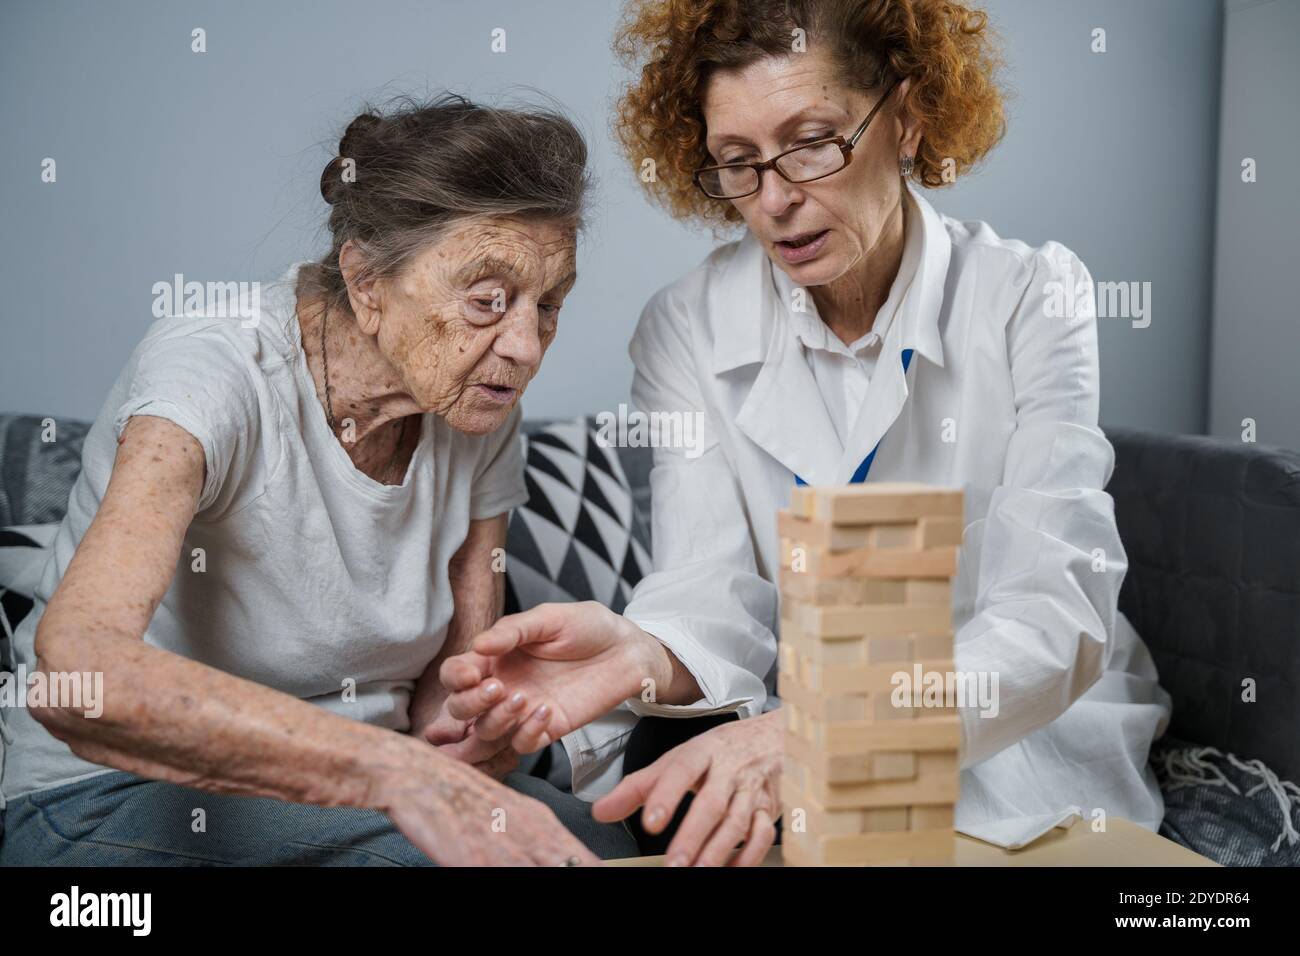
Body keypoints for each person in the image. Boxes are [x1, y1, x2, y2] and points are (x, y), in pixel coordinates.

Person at [441, 0, 1172, 866]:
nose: (777, 199)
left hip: (1000, 724)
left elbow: (1055, 611)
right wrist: (643, 651)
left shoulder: (1030, 297)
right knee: (679, 800)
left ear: (907, 117)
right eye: (738, 163)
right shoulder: (687, 325)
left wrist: (829, 734)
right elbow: (709, 585)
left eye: (814, 142)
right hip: (791, 714)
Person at [0, 94, 639, 866]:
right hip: (109, 793)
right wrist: (391, 772)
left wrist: (480, 728)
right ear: (366, 281)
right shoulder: (212, 369)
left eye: (551, 304)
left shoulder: (476, 402)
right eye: (487, 301)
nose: (526, 347)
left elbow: (450, 698)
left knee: (602, 838)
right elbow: (76, 668)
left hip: (361, 793)